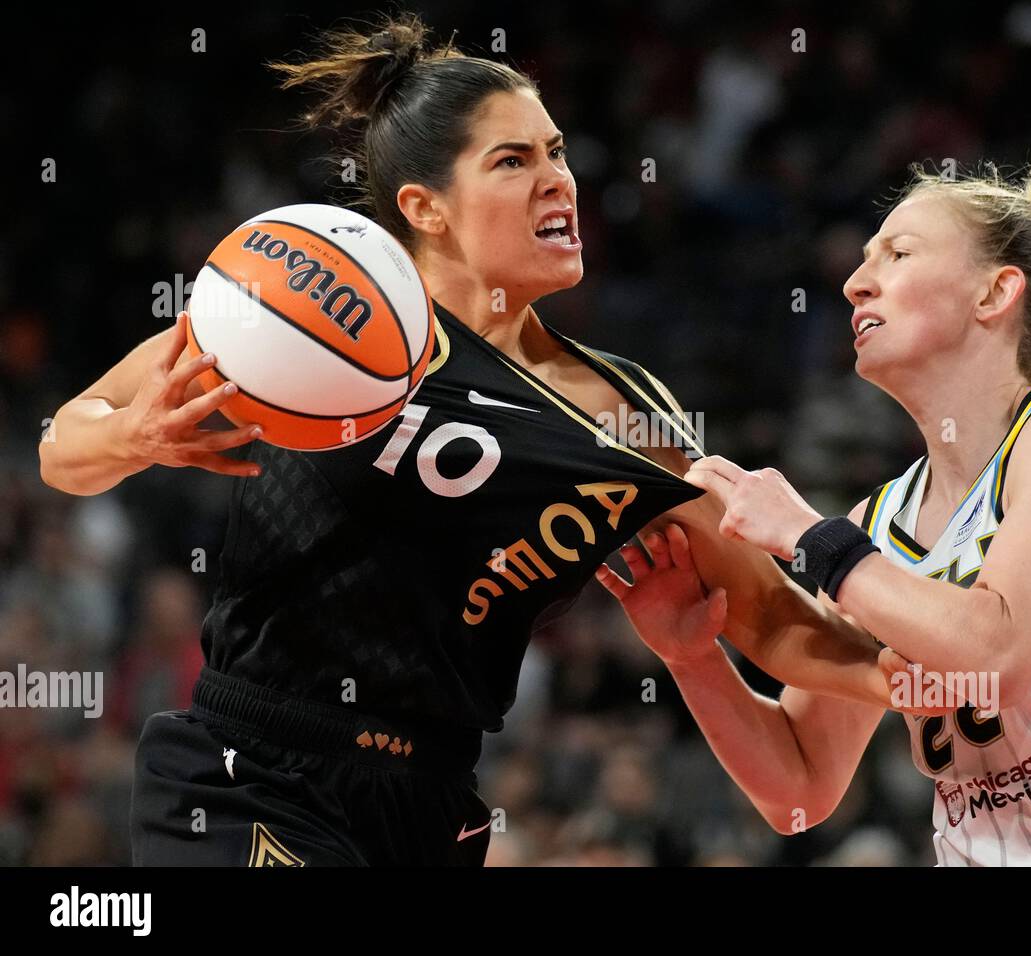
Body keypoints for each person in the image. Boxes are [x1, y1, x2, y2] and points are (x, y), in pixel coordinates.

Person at [38, 13, 911, 866]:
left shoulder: (623, 412)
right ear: (425, 206)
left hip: (431, 798)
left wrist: (926, 675)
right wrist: (134, 437)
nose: (557, 180)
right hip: (251, 771)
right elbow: (64, 445)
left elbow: (765, 616)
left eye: (558, 152)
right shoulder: (304, 302)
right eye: (513, 161)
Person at [600, 157, 1031, 866]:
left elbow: (995, 654)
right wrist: (691, 656)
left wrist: (811, 538)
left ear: (995, 293)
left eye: (897, 253)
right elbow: (799, 789)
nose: (854, 281)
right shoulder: (877, 525)